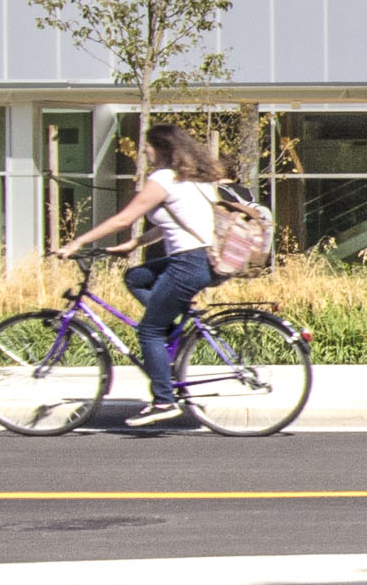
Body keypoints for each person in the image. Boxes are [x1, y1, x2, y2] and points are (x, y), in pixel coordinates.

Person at [70, 124, 249, 434]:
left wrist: (77, 242)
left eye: (148, 148)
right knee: (136, 277)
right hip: (203, 259)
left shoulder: (163, 179)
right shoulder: (195, 180)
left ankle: (164, 401)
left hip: (189, 263)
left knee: (148, 331)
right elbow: (174, 223)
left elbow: (124, 218)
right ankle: (168, 331)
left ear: (162, 148)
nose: (145, 153)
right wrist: (136, 244)